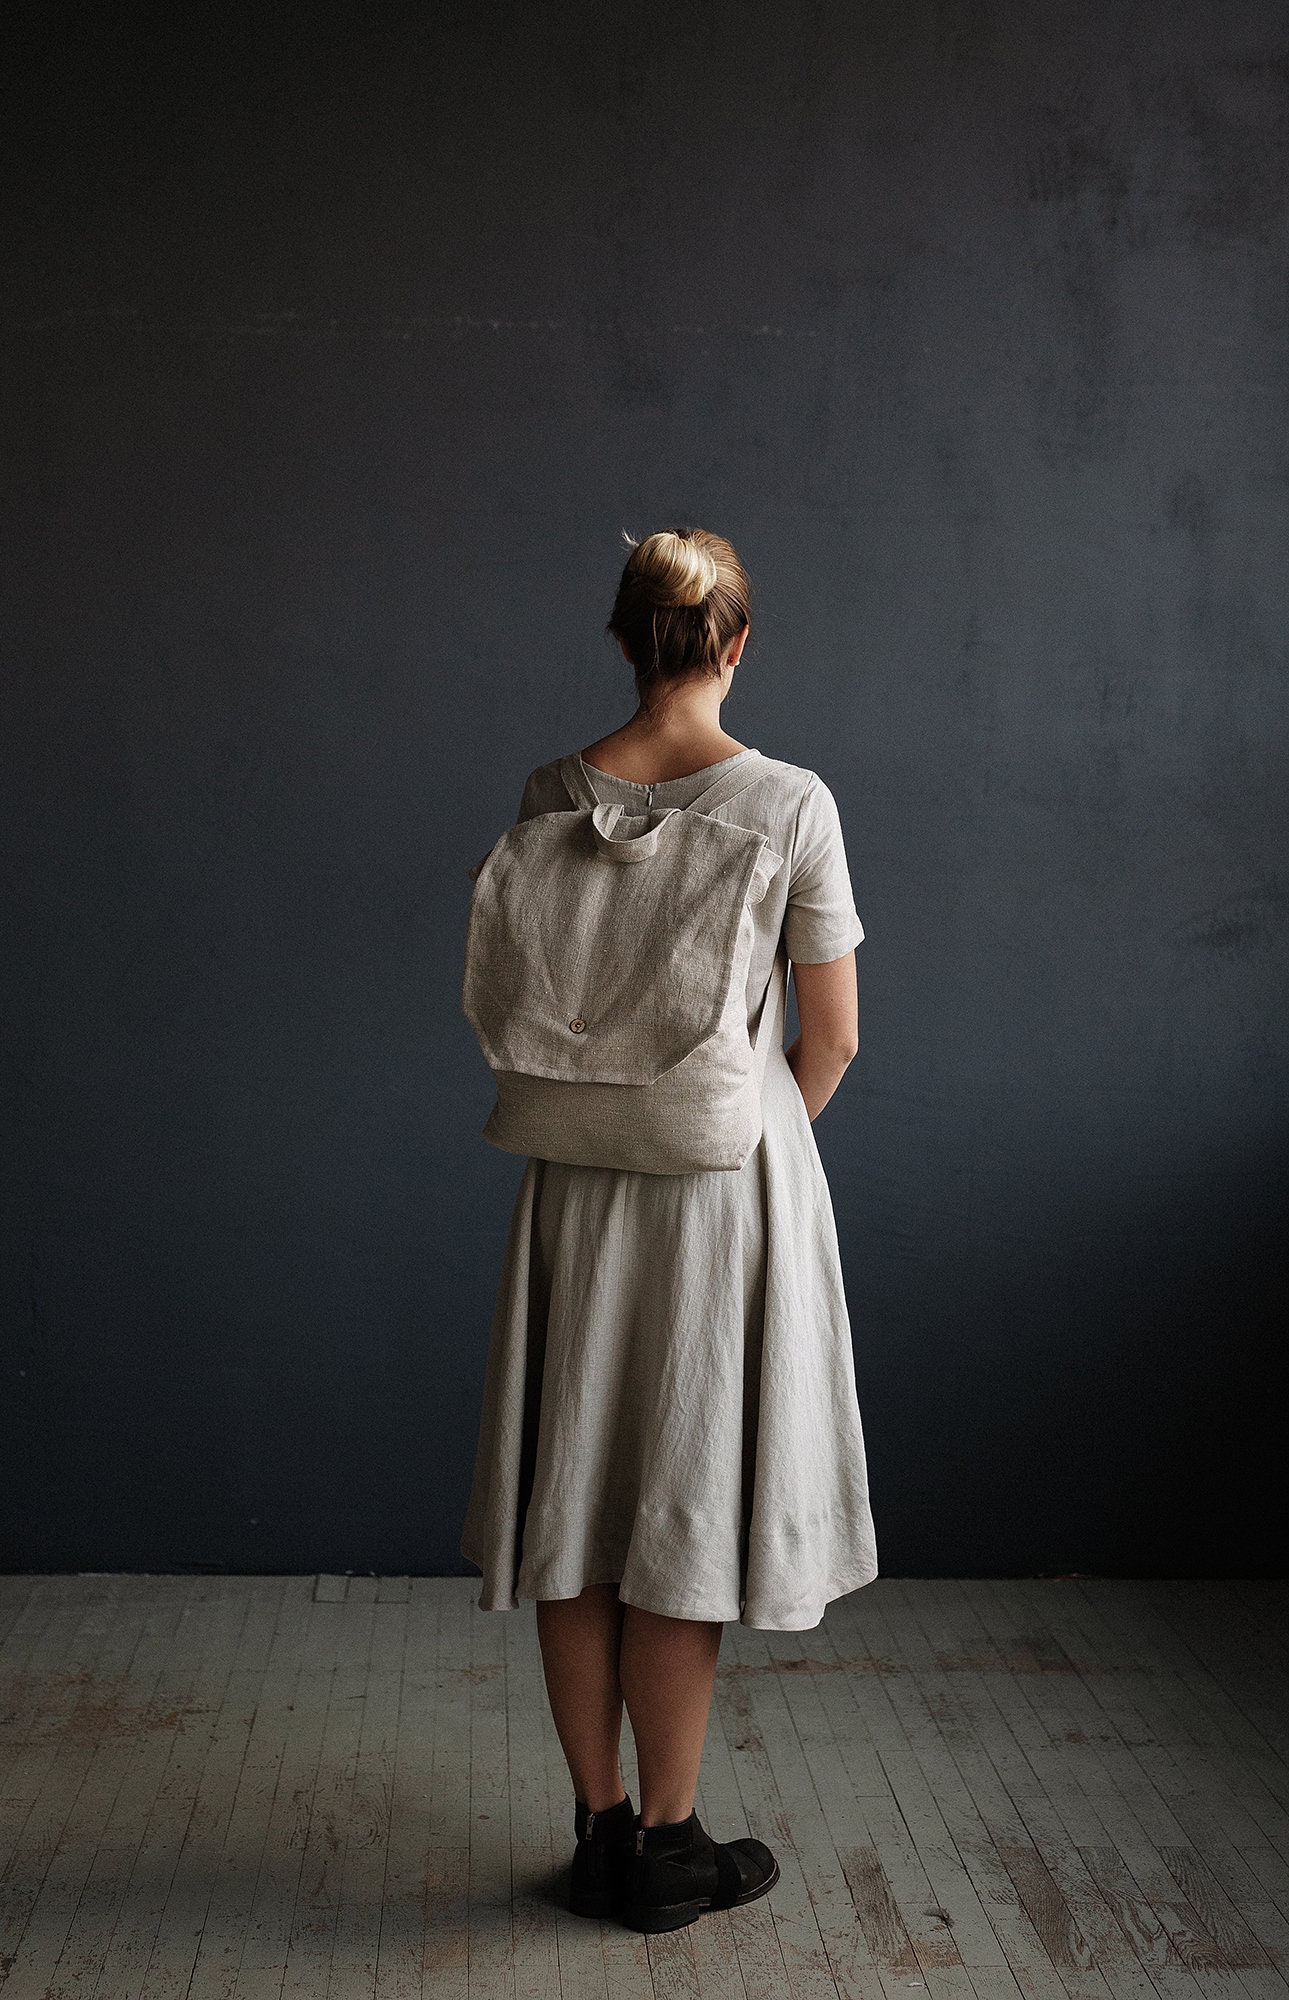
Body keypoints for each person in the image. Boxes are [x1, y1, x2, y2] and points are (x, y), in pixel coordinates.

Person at [460, 525, 877, 1934]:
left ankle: (594, 1832)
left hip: (575, 1185)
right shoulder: (789, 804)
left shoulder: (546, 793)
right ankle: (672, 1846)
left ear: (626, 640)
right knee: (678, 1507)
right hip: (720, 1192)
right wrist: (752, 1147)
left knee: (577, 1509)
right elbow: (831, 1040)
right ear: (736, 642)